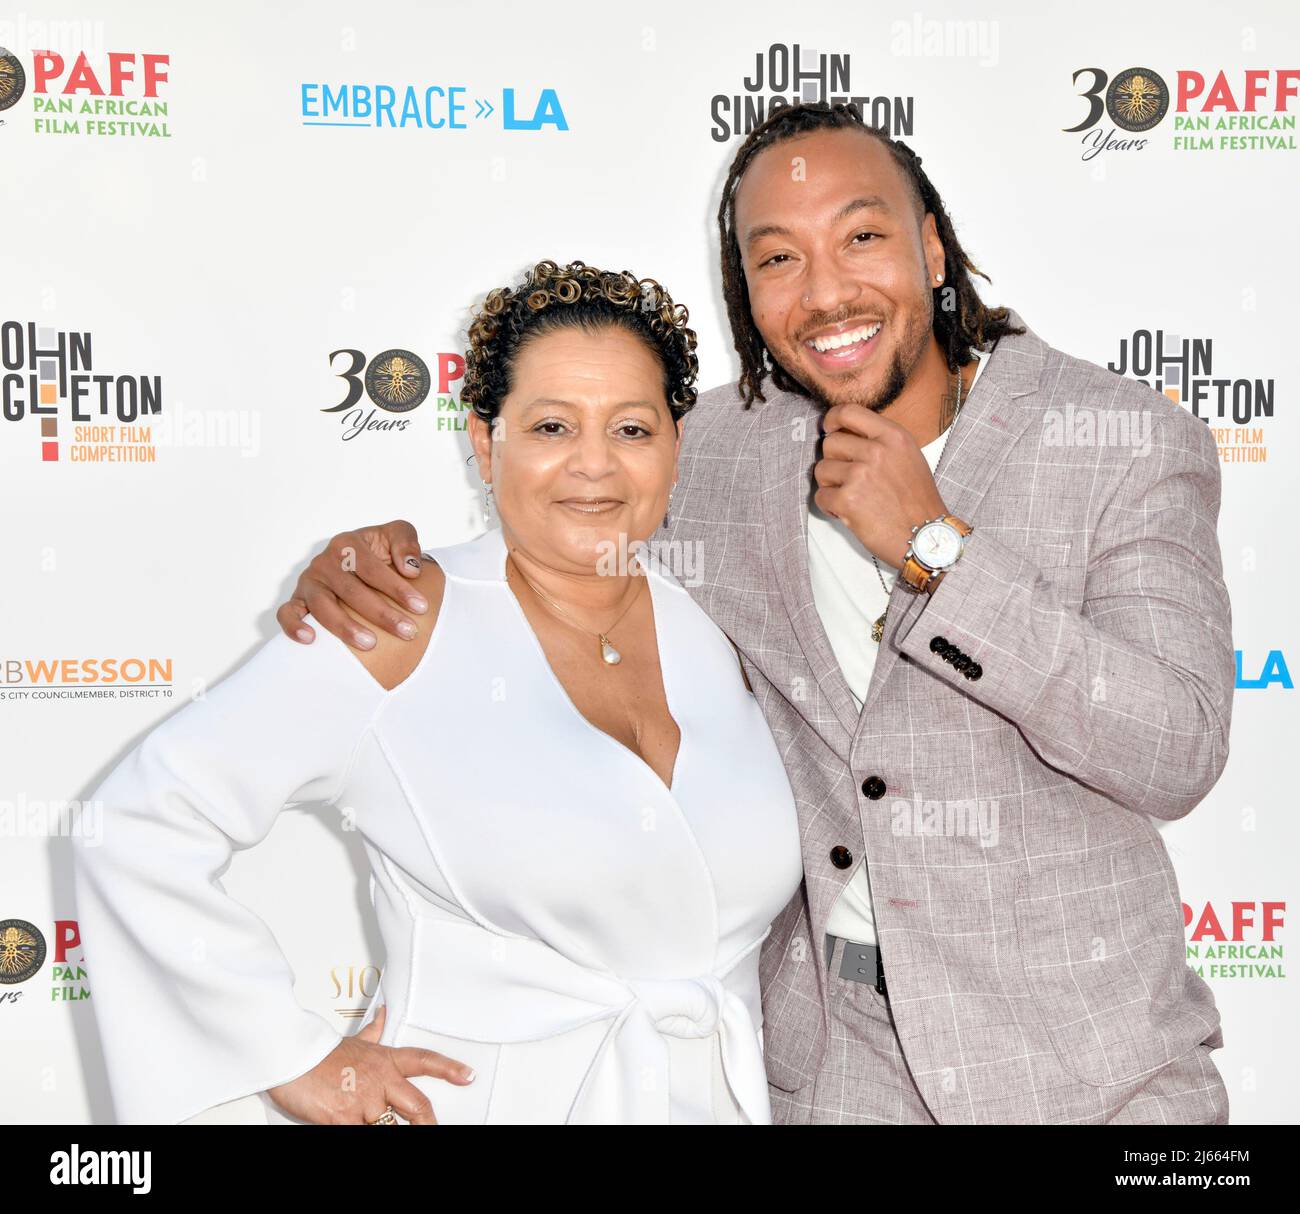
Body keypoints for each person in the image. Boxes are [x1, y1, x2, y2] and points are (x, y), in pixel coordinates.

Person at [279, 103, 1235, 1124]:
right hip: (829, 1073)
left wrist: (935, 548)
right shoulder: (721, 455)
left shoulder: (1119, 438)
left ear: (931, 245)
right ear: (745, 291)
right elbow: (565, 521)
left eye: (862, 237)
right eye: (777, 259)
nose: (826, 293)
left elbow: (1174, 747)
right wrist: (371, 560)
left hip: (1097, 1078)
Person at [70, 259, 804, 1125]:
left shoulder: (725, 622)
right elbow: (138, 821)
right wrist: (288, 1052)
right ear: (486, 442)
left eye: (633, 430)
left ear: (676, 446)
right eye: (552, 426)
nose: (595, 465)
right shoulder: (396, 615)